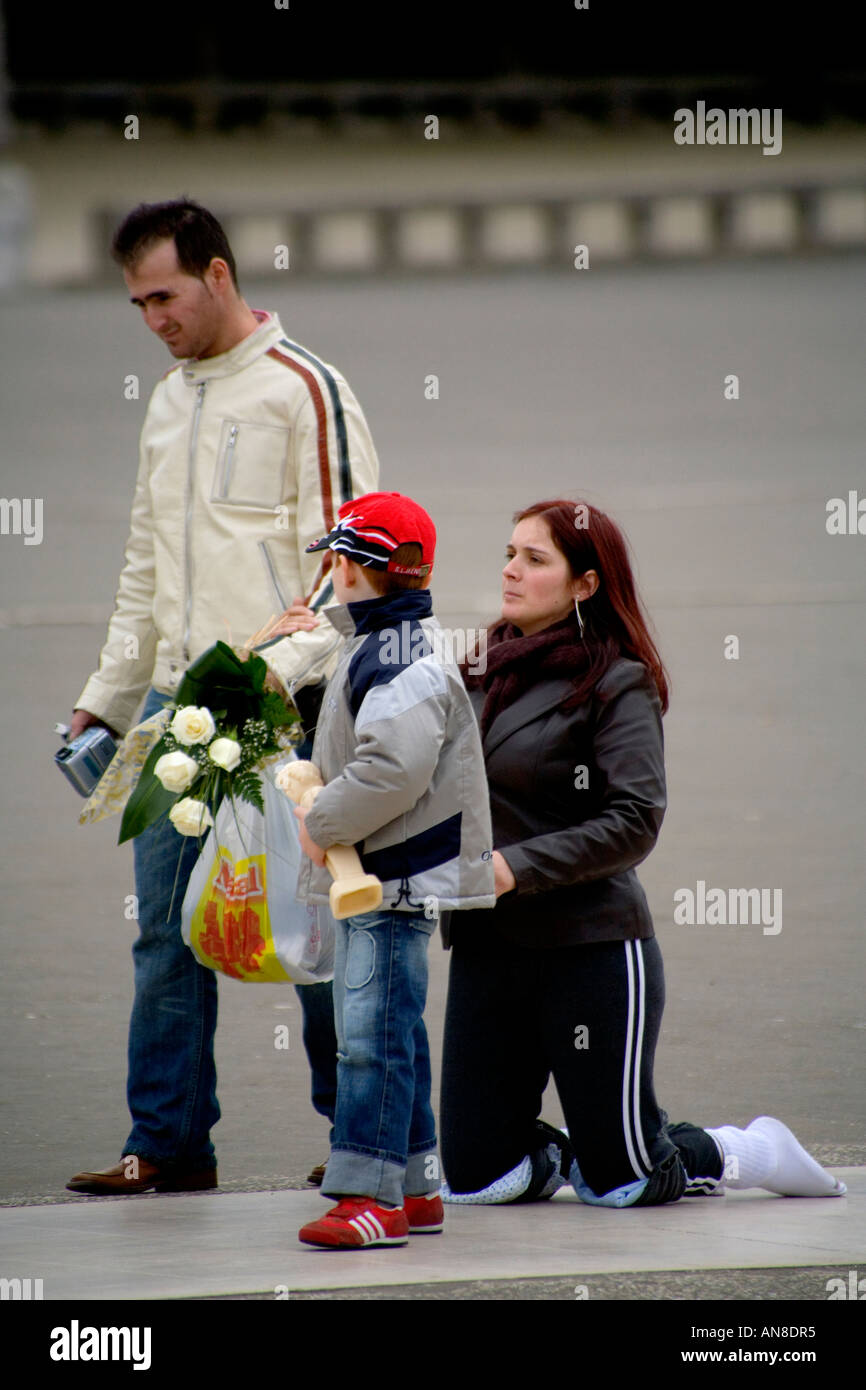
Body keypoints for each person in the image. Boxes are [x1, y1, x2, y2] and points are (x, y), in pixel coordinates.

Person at [65, 199, 378, 1196]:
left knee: (314, 936)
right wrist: (104, 699)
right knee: (164, 936)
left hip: (289, 712)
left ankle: (363, 1143)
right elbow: (144, 565)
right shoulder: (166, 401)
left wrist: (255, 683)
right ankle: (165, 1147)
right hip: (177, 714)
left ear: (218, 274)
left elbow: (350, 572)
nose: (152, 317)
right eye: (136, 303)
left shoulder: (307, 388)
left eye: (164, 294)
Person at [438, 498, 847, 1209]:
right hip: (489, 944)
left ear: (585, 585)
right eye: (509, 553)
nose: (510, 570)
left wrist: (517, 866)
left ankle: (743, 1149)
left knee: (624, 1184)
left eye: (535, 559)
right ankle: (585, 1146)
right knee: (476, 1179)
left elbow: (635, 819)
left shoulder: (615, 679)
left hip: (589, 950)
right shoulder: (476, 670)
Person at [290, 493, 496, 1247]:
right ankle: (415, 1186)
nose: (333, 571)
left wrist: (319, 823)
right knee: (395, 1030)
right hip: (393, 873)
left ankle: (370, 1196)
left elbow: (392, 772)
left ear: (359, 568)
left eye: (339, 558)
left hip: (390, 878)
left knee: (370, 1037)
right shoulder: (384, 642)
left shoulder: (398, 655)